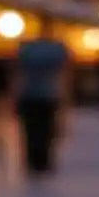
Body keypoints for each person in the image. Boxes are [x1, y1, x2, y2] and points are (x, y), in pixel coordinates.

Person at [12, 33, 71, 176]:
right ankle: (42, 160)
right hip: (47, 96)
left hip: (31, 96)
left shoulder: (26, 50)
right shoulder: (56, 51)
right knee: (46, 129)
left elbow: (18, 74)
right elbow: (64, 74)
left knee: (32, 130)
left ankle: (34, 160)